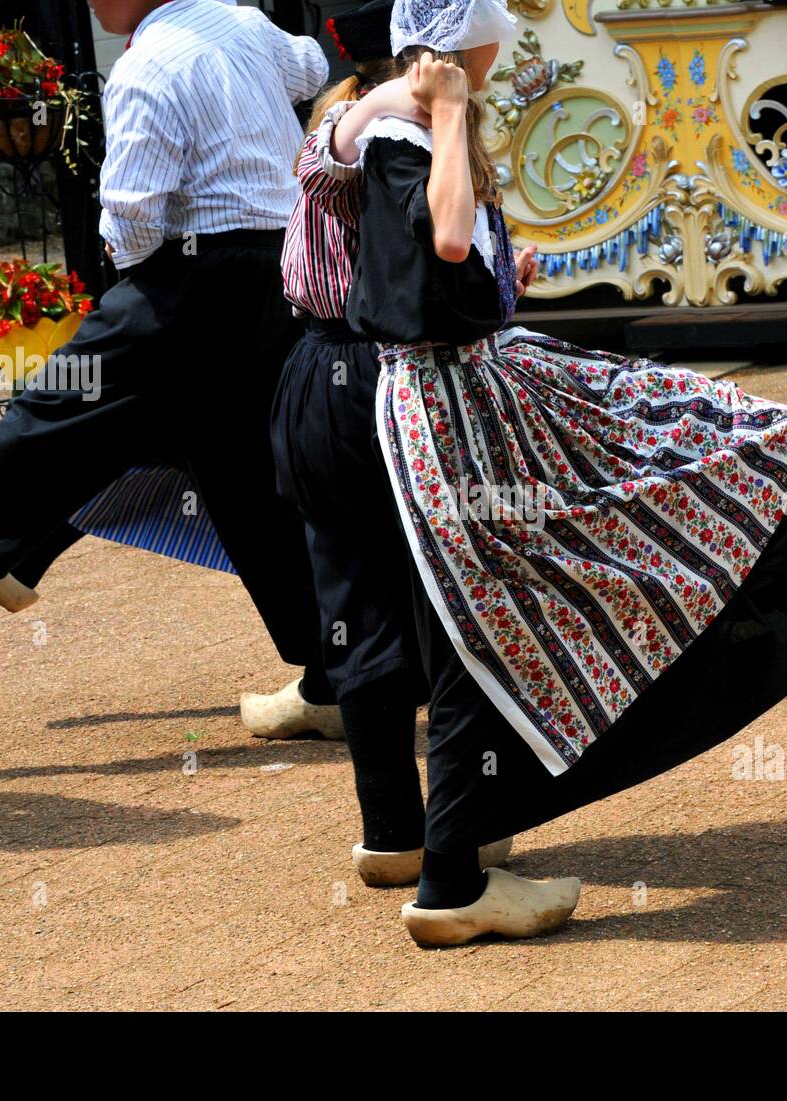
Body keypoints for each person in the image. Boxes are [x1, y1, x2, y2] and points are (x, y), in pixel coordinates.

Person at [336, 0, 787, 946]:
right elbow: (450, 240)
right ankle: (451, 875)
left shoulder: (392, 119)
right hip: (452, 406)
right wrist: (448, 111)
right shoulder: (411, 132)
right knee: (536, 584)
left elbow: (375, 181)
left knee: (652, 438)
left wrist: (429, 108)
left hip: (466, 390)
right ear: (464, 39)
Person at [0, 0, 335, 733]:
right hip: (278, 274)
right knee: (239, 475)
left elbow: (131, 217)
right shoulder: (245, 26)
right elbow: (313, 66)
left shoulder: (147, 65)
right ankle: (333, 676)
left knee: (56, 405)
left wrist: (138, 284)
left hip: (193, 278)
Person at [270, 0, 511, 884]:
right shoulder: (384, 129)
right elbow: (434, 238)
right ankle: (451, 838)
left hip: (320, 376)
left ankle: (391, 829)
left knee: (357, 603)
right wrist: (424, 105)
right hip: (380, 378)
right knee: (441, 600)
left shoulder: (349, 127)